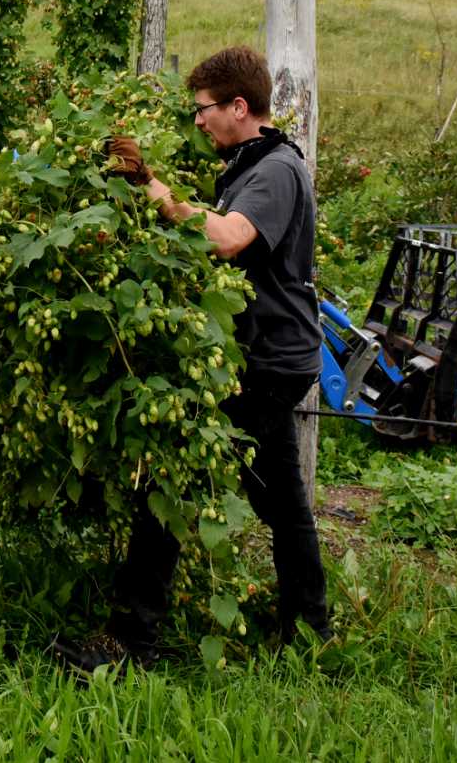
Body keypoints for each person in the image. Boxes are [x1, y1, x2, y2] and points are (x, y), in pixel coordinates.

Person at [63, 44, 330, 671]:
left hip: (265, 363)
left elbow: (231, 239)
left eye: (203, 110)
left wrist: (153, 187)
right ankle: (310, 631)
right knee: (282, 502)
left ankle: (132, 641)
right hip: (268, 355)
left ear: (240, 107)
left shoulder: (276, 170)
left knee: (170, 477)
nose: (199, 121)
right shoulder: (249, 163)